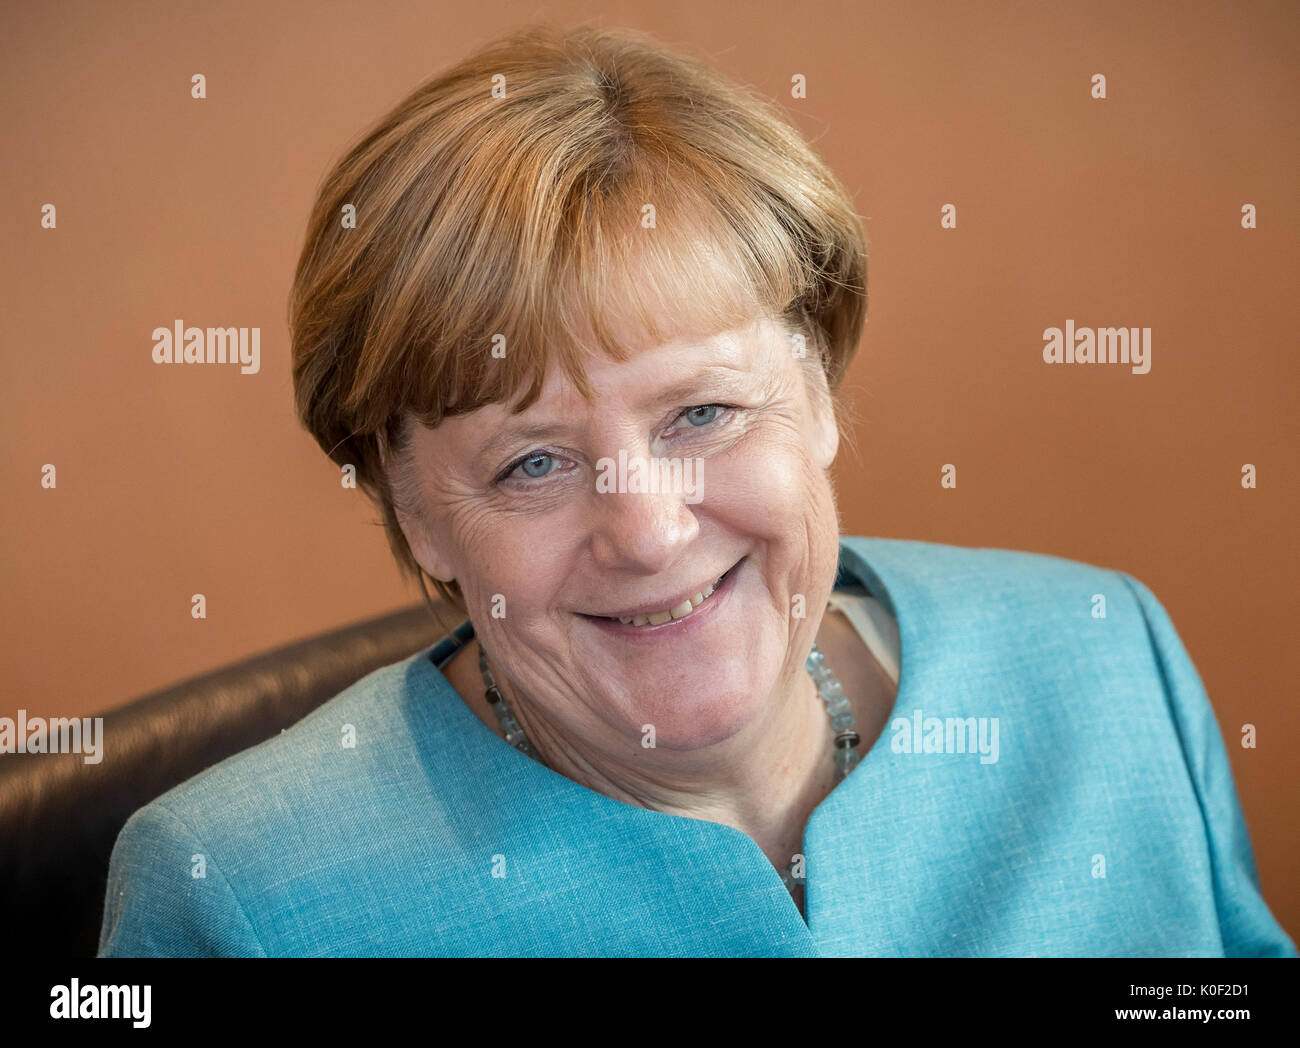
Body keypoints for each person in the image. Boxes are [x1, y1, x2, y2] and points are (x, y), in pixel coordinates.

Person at [98, 23, 1295, 957]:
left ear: (819, 392)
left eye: (703, 413)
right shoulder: (236, 894)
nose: (649, 529)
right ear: (413, 510)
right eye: (534, 462)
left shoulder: (1103, 665)